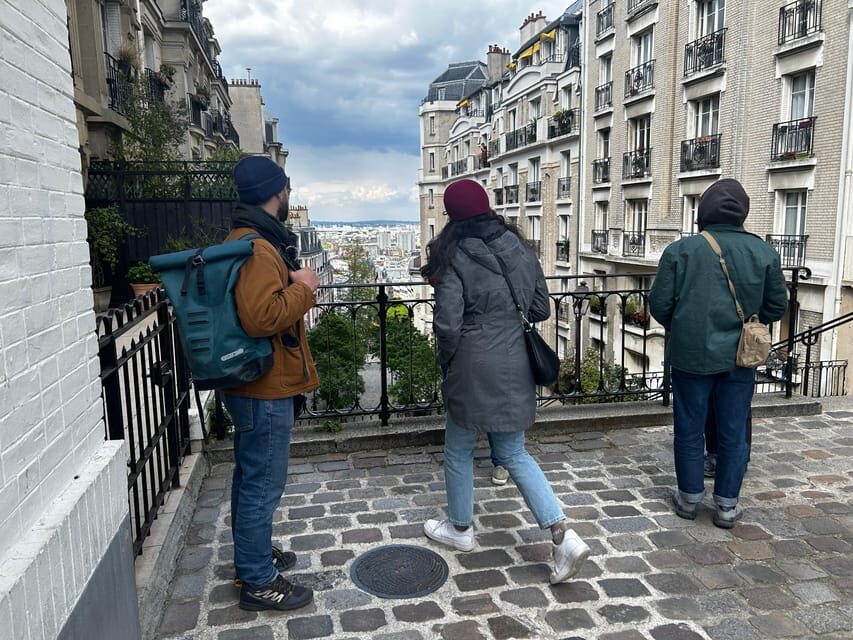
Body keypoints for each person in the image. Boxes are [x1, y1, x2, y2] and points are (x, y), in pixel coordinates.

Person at [421, 179, 590, 583]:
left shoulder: (454, 255)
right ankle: (561, 534)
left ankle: (461, 528)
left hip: (472, 363)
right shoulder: (519, 247)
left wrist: (448, 361)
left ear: (452, 218)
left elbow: (447, 324)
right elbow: (540, 308)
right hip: (515, 358)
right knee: (513, 452)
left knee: (459, 448)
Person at [649, 178, 787, 528]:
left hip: (690, 354)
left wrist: (683, 325)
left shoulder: (681, 251)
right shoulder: (764, 252)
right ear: (743, 213)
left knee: (689, 426)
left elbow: (660, 305)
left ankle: (689, 498)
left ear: (703, 213)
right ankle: (727, 504)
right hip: (741, 357)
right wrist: (751, 321)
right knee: (732, 430)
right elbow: (777, 306)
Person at [225, 155, 321, 611]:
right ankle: (259, 581)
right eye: (285, 189)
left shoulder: (245, 238)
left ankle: (253, 558)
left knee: (251, 478)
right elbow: (262, 316)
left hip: (254, 383)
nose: (288, 196)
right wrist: (304, 286)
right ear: (277, 192)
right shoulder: (258, 247)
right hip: (263, 386)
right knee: (262, 482)